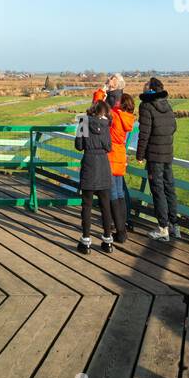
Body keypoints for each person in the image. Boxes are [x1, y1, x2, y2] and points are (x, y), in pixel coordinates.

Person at [136, 76, 180, 241]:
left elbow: (144, 133)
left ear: (150, 90)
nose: (142, 88)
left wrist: (140, 155)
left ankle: (163, 229)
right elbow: (173, 127)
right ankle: (174, 226)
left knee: (158, 191)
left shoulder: (146, 106)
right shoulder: (166, 104)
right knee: (170, 188)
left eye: (144, 86)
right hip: (167, 153)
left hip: (154, 156)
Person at [74, 99, 115, 255]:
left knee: (87, 206)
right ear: (104, 112)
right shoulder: (106, 125)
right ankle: (107, 241)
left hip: (89, 165)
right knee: (105, 205)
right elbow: (109, 147)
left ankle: (86, 242)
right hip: (103, 166)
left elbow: (78, 146)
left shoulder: (83, 122)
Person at [108, 91, 135, 242]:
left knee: (113, 194)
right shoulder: (127, 118)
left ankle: (120, 232)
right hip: (120, 155)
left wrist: (102, 92)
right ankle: (122, 226)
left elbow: (97, 108)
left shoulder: (115, 116)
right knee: (119, 193)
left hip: (111, 156)